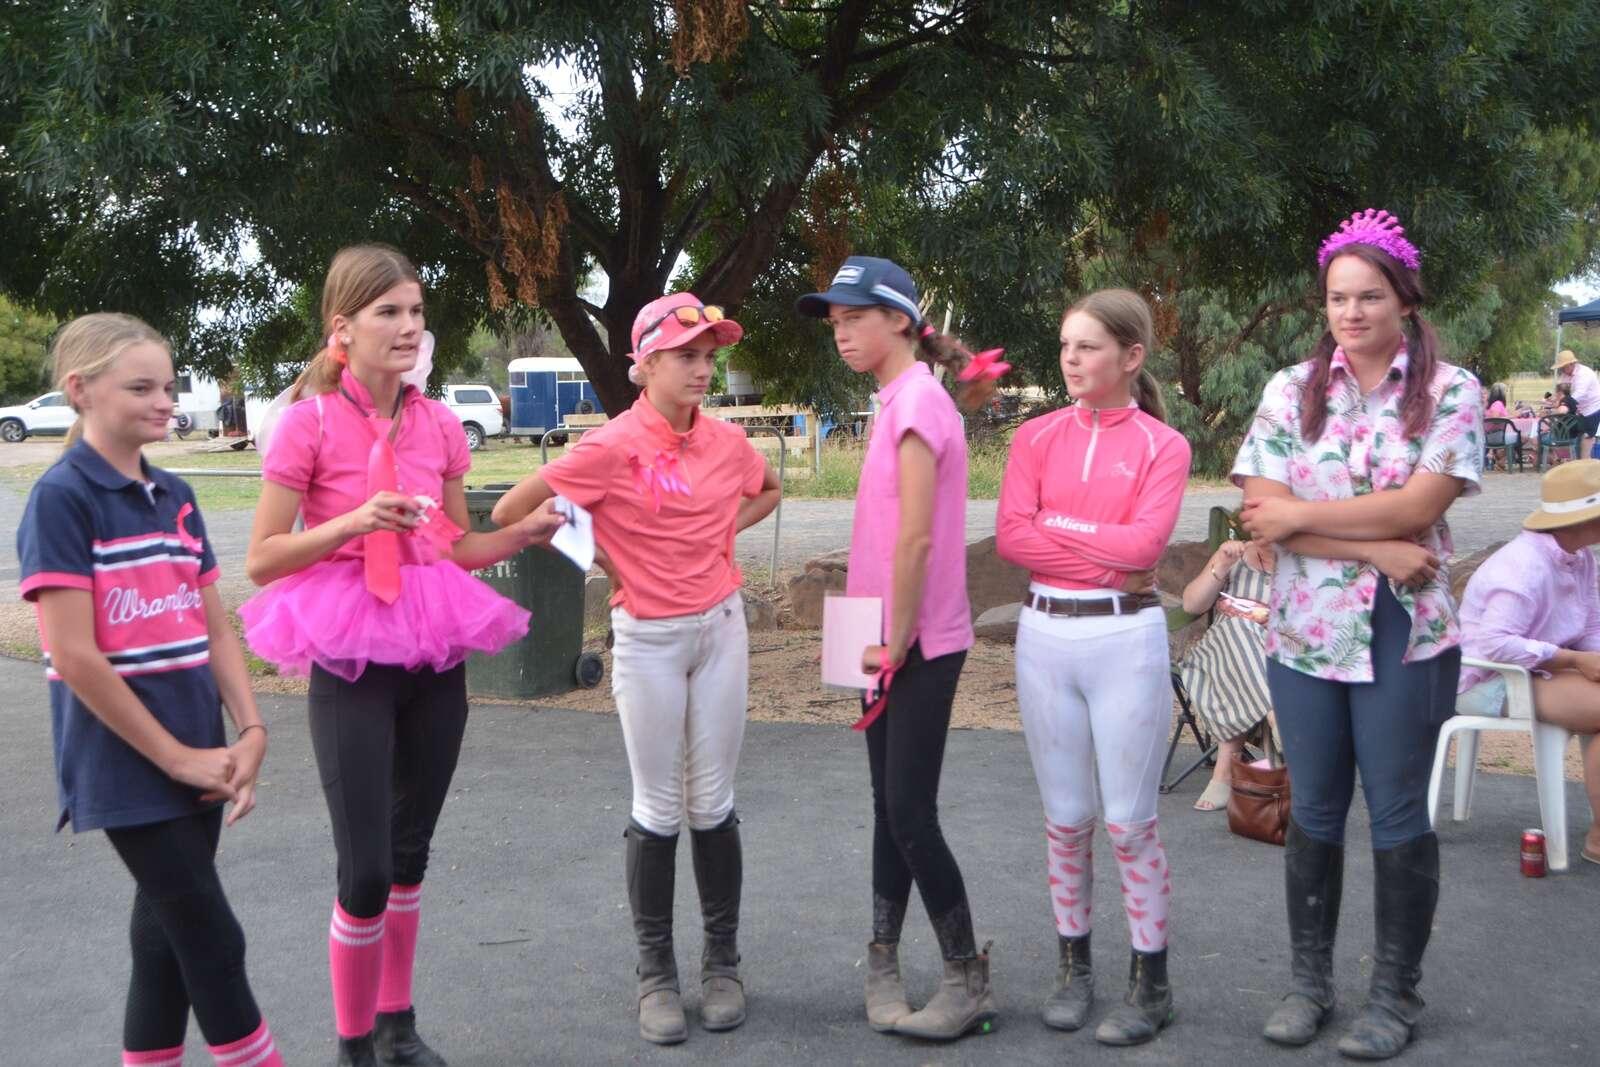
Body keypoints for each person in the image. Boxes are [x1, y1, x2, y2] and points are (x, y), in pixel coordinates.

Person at [242, 245, 560, 1067]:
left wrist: (520, 535)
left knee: (410, 857)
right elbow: (263, 557)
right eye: (388, 311)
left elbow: (454, 547)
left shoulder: (440, 424)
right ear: (342, 327)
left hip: (432, 650)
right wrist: (353, 521)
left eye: (416, 311)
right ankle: (352, 1047)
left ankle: (396, 1027)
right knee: (365, 870)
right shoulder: (309, 423)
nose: (409, 326)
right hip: (349, 653)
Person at [491, 293, 780, 1045]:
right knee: (657, 803)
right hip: (649, 637)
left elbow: (768, 490)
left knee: (712, 800)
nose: (703, 369)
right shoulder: (610, 446)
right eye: (686, 356)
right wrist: (602, 555)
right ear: (644, 363)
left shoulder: (725, 442)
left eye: (709, 356)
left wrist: (721, 531)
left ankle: (722, 965)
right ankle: (656, 975)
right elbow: (513, 512)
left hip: (721, 629)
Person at [1233, 208, 1482, 1060]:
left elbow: (1418, 506)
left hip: (1404, 630)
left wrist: (1301, 518)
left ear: (1404, 299)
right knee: (1314, 805)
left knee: (1398, 806)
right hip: (1305, 628)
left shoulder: (1452, 391)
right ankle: (1310, 984)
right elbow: (1261, 513)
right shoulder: (1288, 388)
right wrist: (1374, 546)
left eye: (1370, 295)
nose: (1351, 311)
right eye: (1338, 297)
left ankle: (1393, 994)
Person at [17, 314, 285, 1067]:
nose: (164, 401)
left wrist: (251, 730)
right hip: (125, 761)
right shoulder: (63, 497)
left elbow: (216, 629)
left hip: (200, 750)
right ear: (80, 390)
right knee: (212, 938)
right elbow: (73, 654)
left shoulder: (176, 493)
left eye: (168, 386)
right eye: (141, 388)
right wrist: (175, 757)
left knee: (163, 947)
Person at [796, 256, 999, 1042]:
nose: (841, 333)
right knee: (888, 806)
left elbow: (916, 538)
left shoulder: (916, 401)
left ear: (901, 322)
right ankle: (882, 961)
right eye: (835, 322)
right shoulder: (893, 399)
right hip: (872, 628)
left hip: (913, 637)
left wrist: (900, 638)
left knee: (912, 810)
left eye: (854, 317)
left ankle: (965, 975)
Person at [995, 289, 1191, 1046]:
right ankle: (1073, 971)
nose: (1071, 359)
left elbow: (1145, 548)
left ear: (1131, 357)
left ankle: (1152, 983)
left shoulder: (1163, 446)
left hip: (1124, 641)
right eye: (1066, 345)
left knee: (1130, 824)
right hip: (1044, 636)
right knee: (1066, 820)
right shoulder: (1035, 437)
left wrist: (1056, 525)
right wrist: (1100, 548)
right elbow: (1012, 538)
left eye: (1089, 346)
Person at [1458, 459, 1600, 866]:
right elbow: (1494, 644)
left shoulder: (1581, 558)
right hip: (1487, 679)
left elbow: (1591, 625)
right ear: (1584, 520)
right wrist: (1574, 659)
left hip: (1540, 670)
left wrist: (1592, 658)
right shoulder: (1523, 566)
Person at [1178, 535, 1276, 812]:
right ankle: (1277, 719)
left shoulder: (1305, 564)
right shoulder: (1236, 556)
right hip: (1216, 661)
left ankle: (1225, 772)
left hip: (1275, 661)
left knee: (1252, 650)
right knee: (1239, 628)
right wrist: (1220, 564)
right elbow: (1192, 606)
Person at [1554, 350, 1600, 458]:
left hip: (1591, 408)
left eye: (1563, 366)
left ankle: (1585, 461)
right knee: (1575, 437)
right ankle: (1577, 460)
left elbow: (1579, 393)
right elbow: (1564, 392)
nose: (1562, 369)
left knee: (1587, 437)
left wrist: (1564, 403)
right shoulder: (1566, 375)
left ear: (1571, 364)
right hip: (1579, 410)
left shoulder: (1584, 373)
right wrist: (1556, 400)